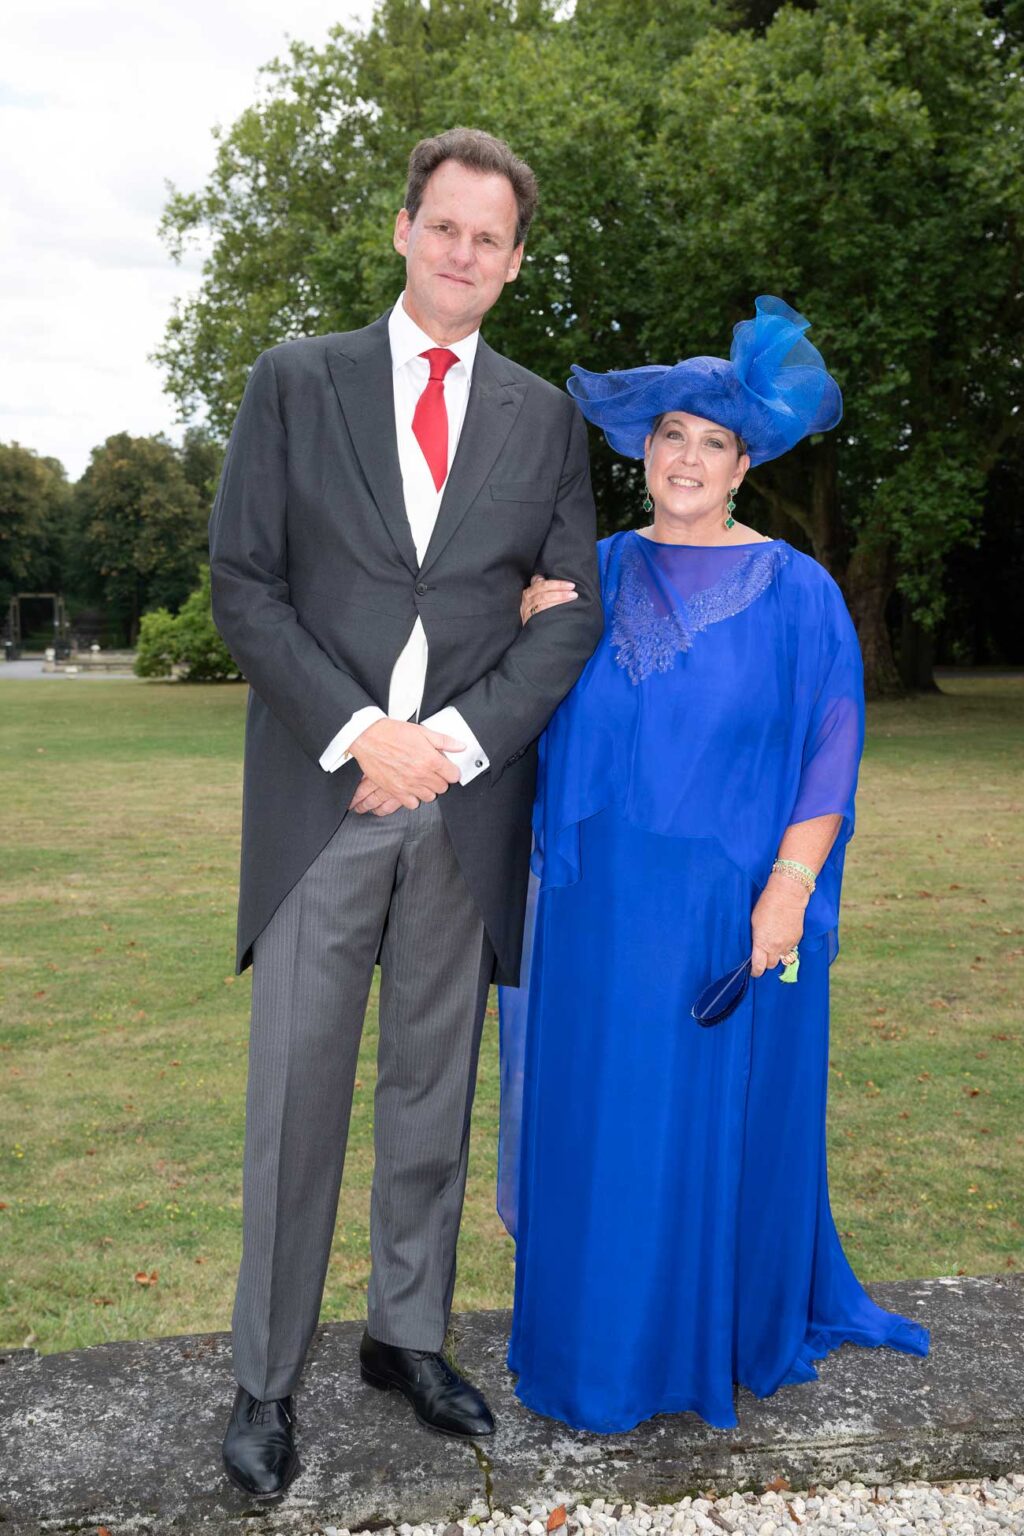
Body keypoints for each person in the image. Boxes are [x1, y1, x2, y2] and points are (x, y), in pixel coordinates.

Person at [208, 127, 603, 1499]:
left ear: (513, 262)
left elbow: (570, 614)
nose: (462, 253)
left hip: (462, 810)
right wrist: (360, 733)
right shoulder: (295, 380)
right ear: (403, 229)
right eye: (444, 226)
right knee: (296, 1099)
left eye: (489, 238)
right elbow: (244, 583)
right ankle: (266, 1377)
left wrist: (443, 746)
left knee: (433, 1090)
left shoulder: (543, 419)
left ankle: (406, 1336)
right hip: (323, 801)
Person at [498, 296, 930, 1434]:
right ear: (645, 452)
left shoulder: (801, 593)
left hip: (726, 914)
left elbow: (830, 753)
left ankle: (701, 1338)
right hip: (594, 915)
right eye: (671, 436)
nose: (687, 458)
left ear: (744, 466)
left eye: (713, 442)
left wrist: (788, 891)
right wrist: (522, 625)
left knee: (696, 1129)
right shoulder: (582, 575)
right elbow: (511, 712)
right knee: (603, 1126)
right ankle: (591, 1345)